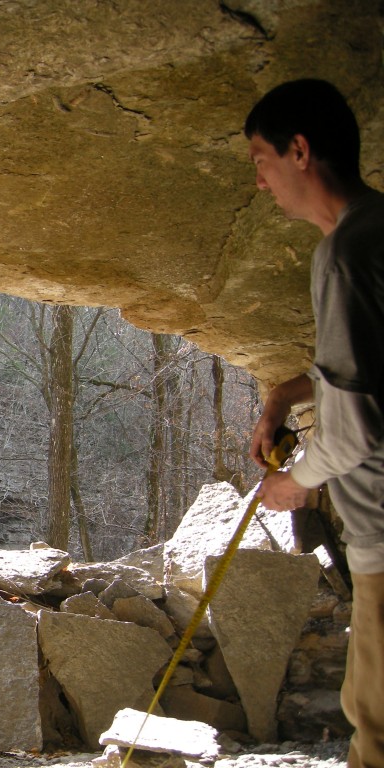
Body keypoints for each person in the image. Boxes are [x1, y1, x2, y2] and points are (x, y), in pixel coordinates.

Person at [245, 79, 384, 768]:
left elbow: (358, 431)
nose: (262, 184)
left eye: (262, 162)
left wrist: (293, 484)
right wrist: (285, 395)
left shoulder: (345, 256)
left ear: (299, 151)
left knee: (377, 730)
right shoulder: (379, 233)